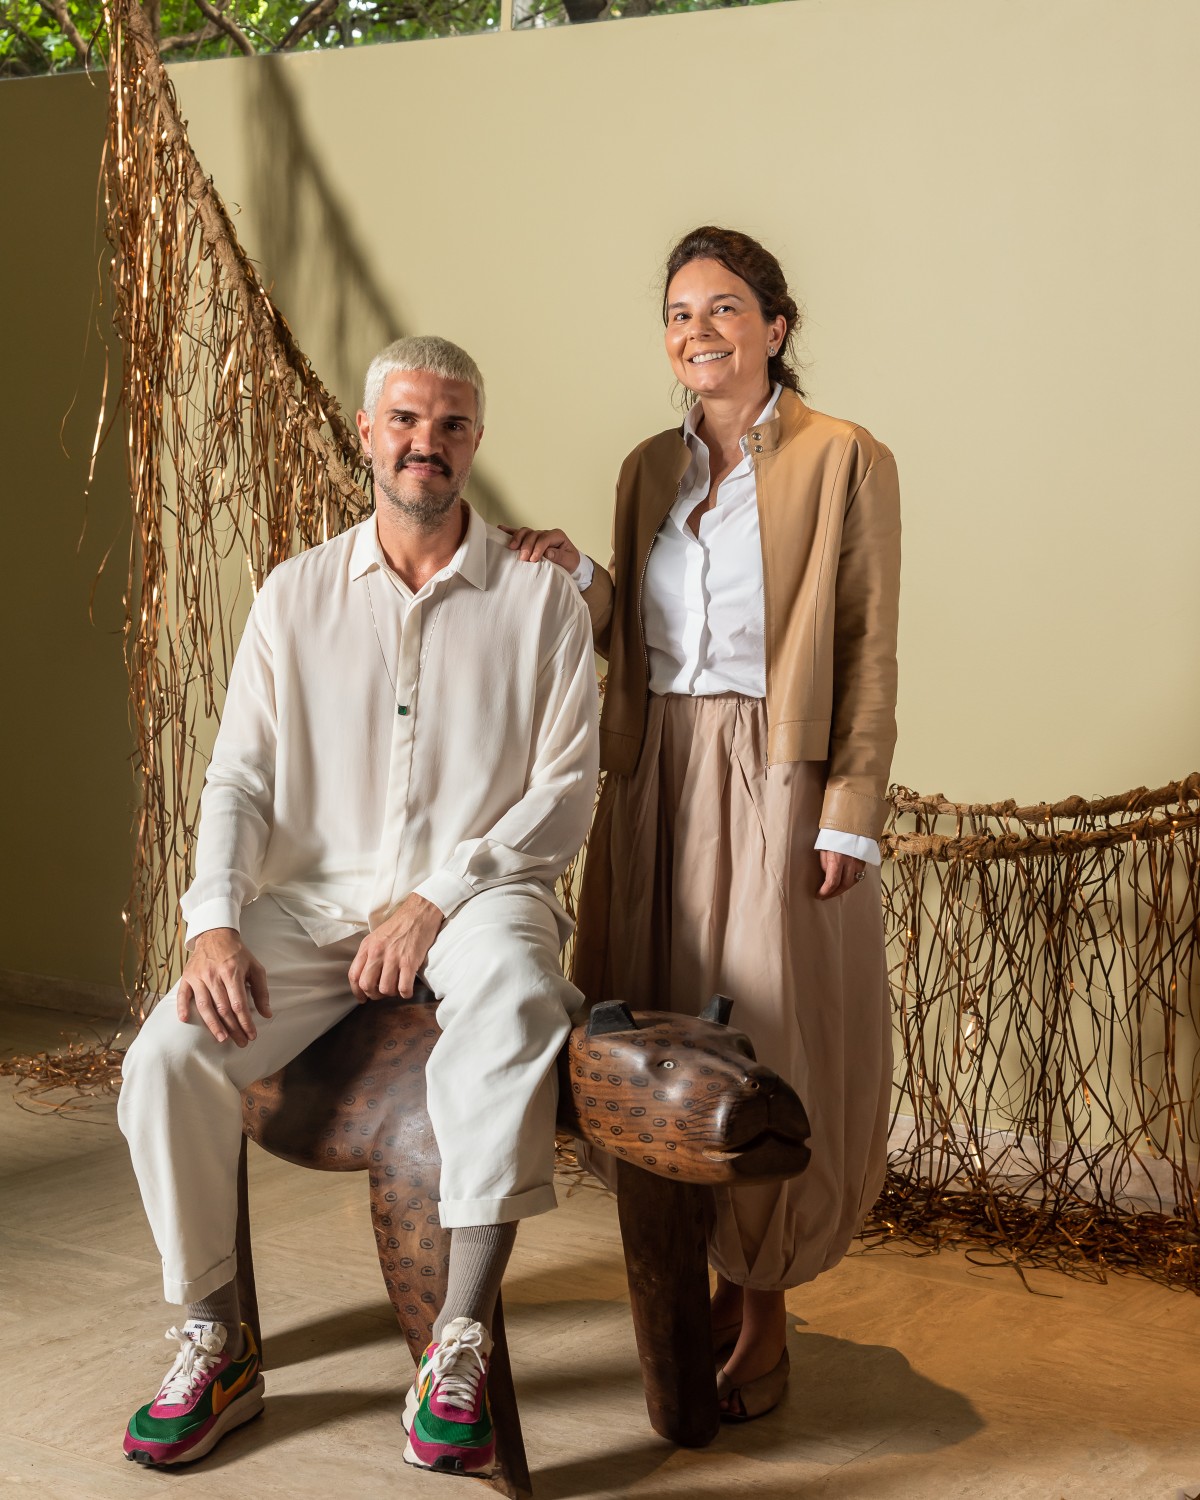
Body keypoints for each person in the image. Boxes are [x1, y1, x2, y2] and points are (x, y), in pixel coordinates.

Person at [117, 335, 599, 1476]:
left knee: (524, 997)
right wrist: (214, 921)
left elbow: (566, 792)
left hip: (480, 890)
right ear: (367, 431)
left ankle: (461, 1338)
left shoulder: (540, 599)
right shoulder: (295, 596)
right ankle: (217, 1339)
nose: (425, 443)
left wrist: (436, 899)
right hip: (315, 902)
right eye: (404, 420)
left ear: (475, 442)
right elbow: (236, 776)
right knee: (167, 1055)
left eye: (450, 425)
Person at [503, 226, 900, 1422]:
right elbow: (640, 637)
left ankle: (762, 1299)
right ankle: (678, 1281)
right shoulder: (645, 472)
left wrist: (852, 812)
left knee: (765, 1026)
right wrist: (582, 578)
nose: (699, 333)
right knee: (658, 1015)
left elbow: (867, 647)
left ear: (776, 327)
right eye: (680, 314)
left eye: (724, 309)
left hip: (778, 770)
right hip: (658, 765)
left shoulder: (845, 459)